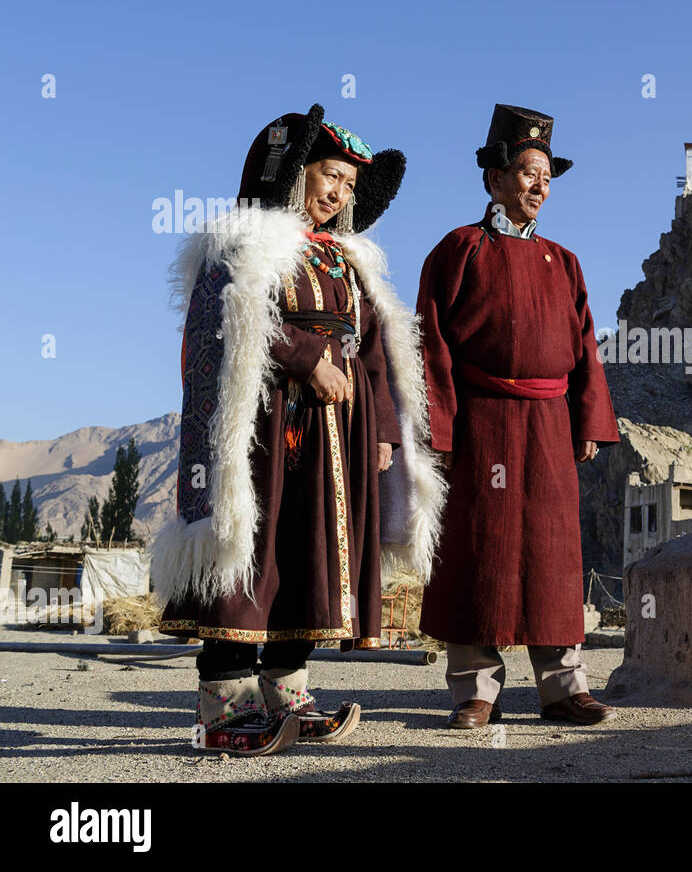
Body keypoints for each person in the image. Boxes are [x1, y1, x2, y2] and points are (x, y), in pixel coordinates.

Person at [150, 104, 446, 755]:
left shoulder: (347, 260)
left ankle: (288, 692)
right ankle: (223, 708)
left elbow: (376, 350)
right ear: (292, 173)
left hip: (337, 435)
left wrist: (386, 431)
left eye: (348, 183)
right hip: (264, 431)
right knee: (251, 552)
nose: (339, 192)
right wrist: (307, 360)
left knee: (312, 555)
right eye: (329, 175)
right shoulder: (242, 243)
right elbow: (227, 319)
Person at [416, 103, 620, 728]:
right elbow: (430, 345)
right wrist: (440, 430)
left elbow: (585, 345)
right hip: (480, 422)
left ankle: (563, 688)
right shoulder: (459, 249)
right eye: (528, 172)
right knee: (478, 553)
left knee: (553, 556)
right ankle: (475, 690)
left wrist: (587, 422)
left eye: (547, 177)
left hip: (548, 424)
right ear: (495, 178)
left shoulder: (566, 261)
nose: (539, 186)